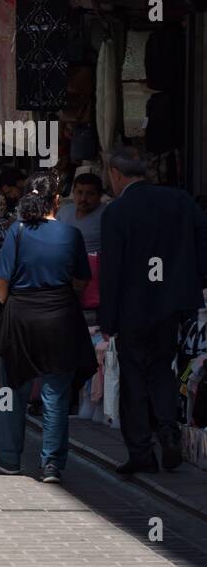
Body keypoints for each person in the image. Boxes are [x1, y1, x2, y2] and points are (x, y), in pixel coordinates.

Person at [99, 146, 207, 476]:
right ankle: (168, 432)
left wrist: (108, 318)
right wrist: (191, 285)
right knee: (162, 368)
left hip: (133, 307)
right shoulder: (181, 201)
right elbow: (202, 244)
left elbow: (111, 269)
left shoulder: (117, 212)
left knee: (133, 376)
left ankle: (142, 450)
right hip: (170, 304)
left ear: (116, 175)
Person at [0, 171, 97, 482]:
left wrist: (12, 304)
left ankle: (8, 457)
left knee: (12, 390)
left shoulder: (17, 232)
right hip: (60, 317)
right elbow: (83, 280)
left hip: (20, 317)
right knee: (55, 394)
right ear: (57, 201)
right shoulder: (71, 235)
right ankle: (51, 464)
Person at [56, 171, 104, 255]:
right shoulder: (65, 211)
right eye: (79, 192)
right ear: (73, 192)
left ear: (100, 195)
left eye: (90, 194)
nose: (83, 199)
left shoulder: (107, 215)